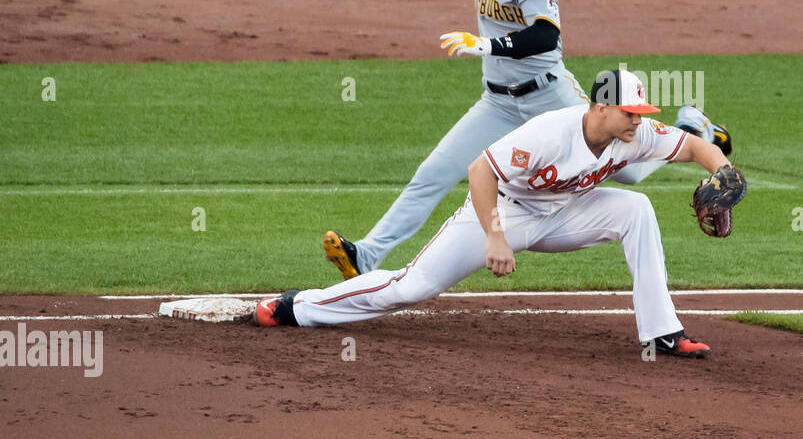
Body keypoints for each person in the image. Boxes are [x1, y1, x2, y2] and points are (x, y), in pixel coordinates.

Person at [317, 0, 733, 281]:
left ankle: (694, 130)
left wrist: (489, 45)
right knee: (434, 173)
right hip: (496, 102)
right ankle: (367, 255)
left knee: (634, 173)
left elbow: (544, 37)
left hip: (551, 97)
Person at [258, 68, 721, 359]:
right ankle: (298, 306)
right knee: (412, 286)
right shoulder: (548, 133)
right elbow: (480, 171)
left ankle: (663, 333)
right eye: (629, 113)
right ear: (600, 107)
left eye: (641, 113)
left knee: (635, 208)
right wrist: (495, 236)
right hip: (505, 211)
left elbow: (699, 147)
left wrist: (726, 175)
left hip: (566, 213)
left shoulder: (635, 136)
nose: (638, 121)